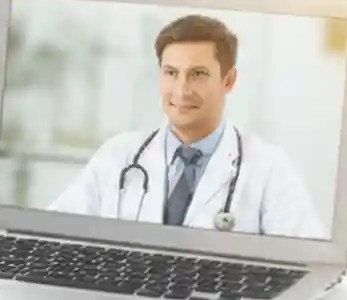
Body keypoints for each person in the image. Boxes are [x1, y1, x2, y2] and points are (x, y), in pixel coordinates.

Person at [50, 15, 327, 239]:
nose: (181, 90)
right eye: (171, 73)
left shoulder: (269, 168)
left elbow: (308, 257)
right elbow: (53, 235)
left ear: (228, 81)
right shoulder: (118, 155)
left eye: (198, 74)